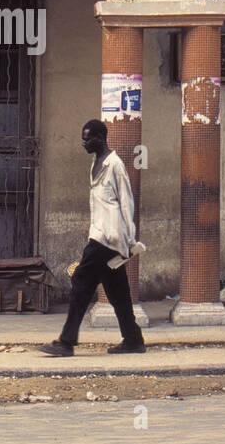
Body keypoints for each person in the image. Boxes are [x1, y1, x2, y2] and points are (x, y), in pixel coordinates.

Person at [39, 119, 146, 356]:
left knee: (80, 280)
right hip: (100, 234)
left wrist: (129, 241)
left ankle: (66, 341)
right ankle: (133, 339)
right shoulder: (95, 163)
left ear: (100, 137)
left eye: (87, 138)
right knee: (117, 290)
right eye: (83, 138)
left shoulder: (115, 164)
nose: (84, 143)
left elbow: (127, 203)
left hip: (109, 238)